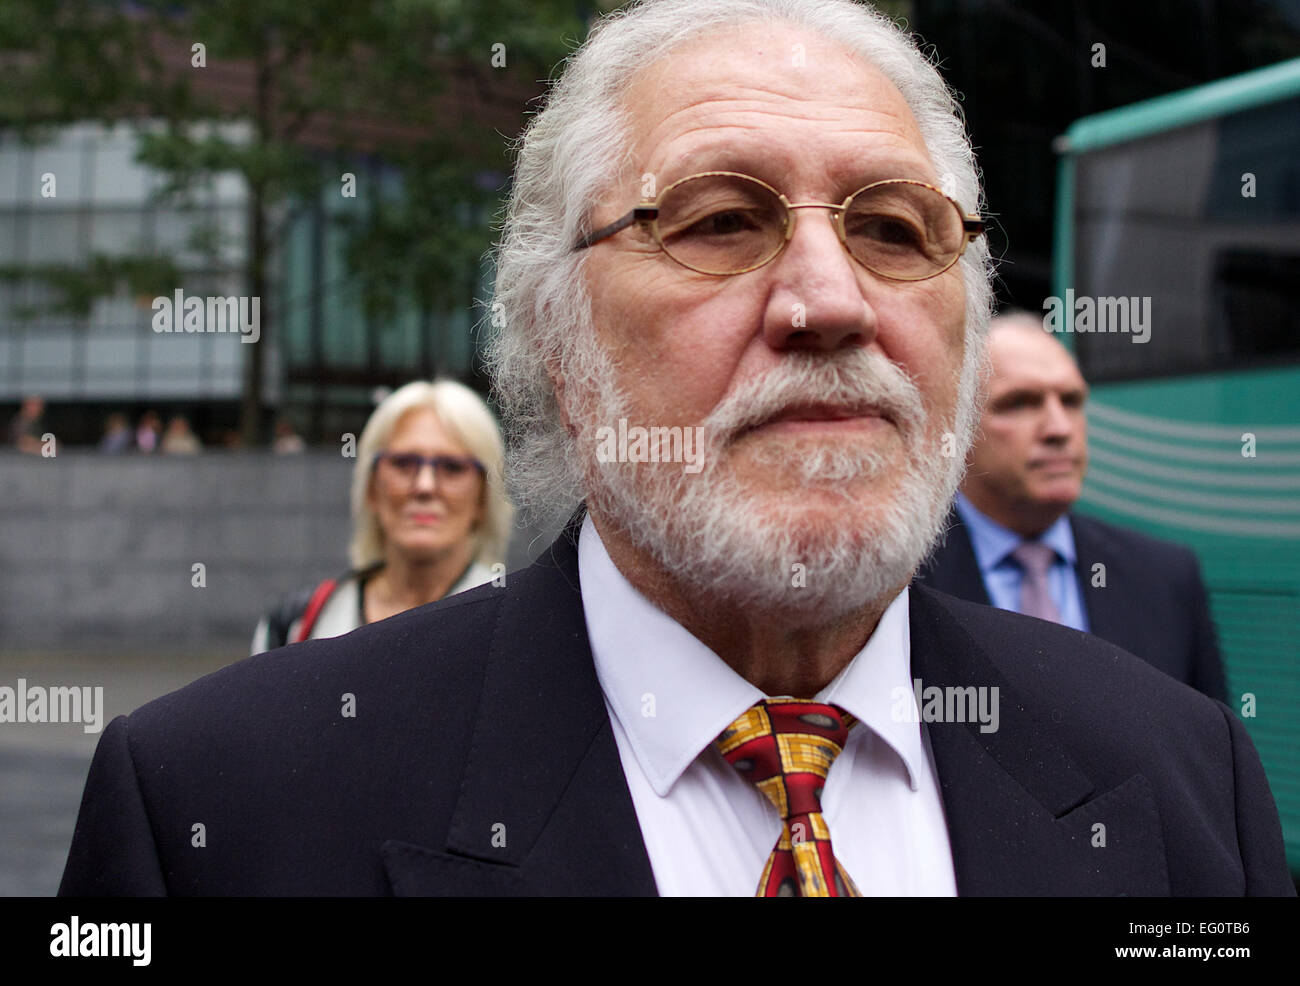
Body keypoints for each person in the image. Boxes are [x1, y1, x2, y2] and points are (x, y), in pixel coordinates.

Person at [60, 0, 1291, 897]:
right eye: (718, 220)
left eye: (896, 228)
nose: (831, 298)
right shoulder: (217, 810)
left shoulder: (1185, 778)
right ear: (556, 336)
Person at [916, 312, 1228, 701]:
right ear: (956, 425)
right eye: (1020, 403)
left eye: (1071, 400)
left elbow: (1209, 750)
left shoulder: (1166, 575)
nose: (1059, 428)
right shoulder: (903, 579)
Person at [249, 379, 513, 655]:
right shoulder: (295, 625)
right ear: (372, 487)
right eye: (402, 463)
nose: (424, 486)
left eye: (452, 467)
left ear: (484, 497)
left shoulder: (521, 624)